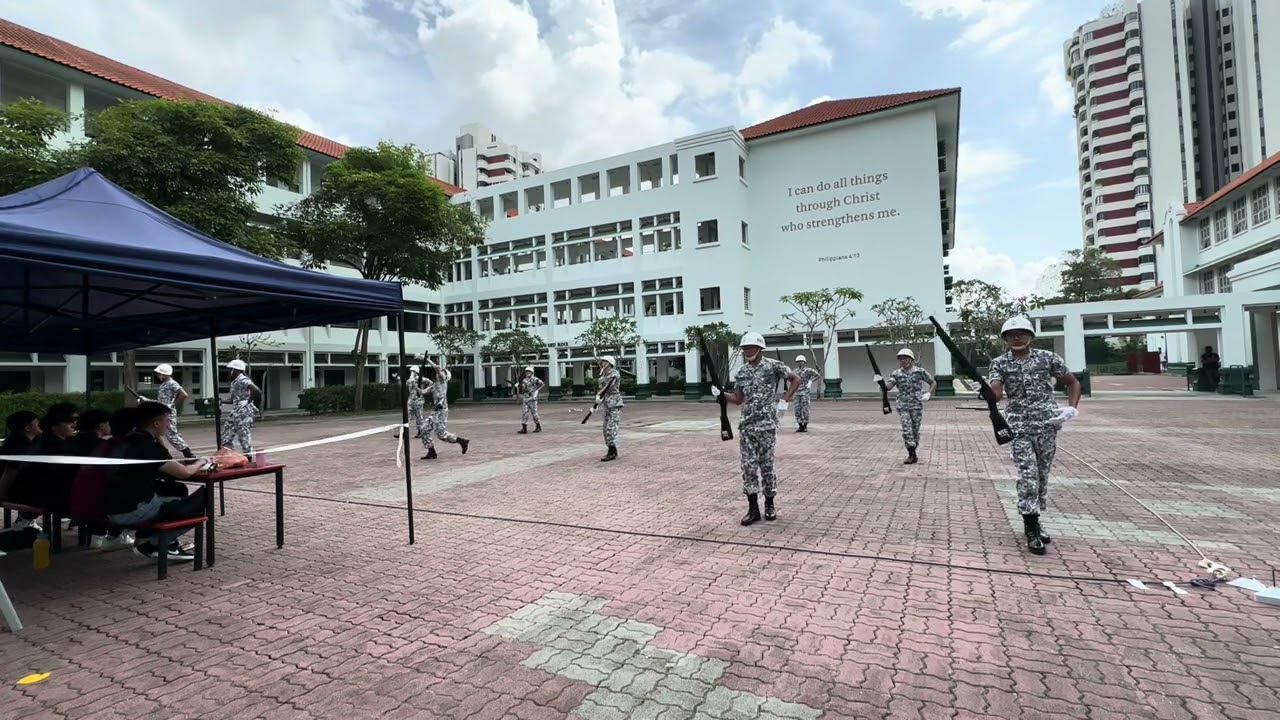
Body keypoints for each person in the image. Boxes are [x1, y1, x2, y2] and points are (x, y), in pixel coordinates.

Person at [986, 316, 1082, 556]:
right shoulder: (999, 363)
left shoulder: (1047, 358)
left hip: (1046, 424)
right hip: (1018, 426)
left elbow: (1073, 382)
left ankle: (1036, 520)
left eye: (1021, 333)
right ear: (1005, 339)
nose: (1016, 337)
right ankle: (1030, 525)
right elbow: (996, 393)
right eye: (1011, 334)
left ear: (1031, 336)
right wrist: (986, 391)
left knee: (1041, 475)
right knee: (1028, 474)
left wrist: (1071, 409)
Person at [105, 401, 211, 561]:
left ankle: (159, 540)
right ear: (156, 423)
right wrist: (202, 461)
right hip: (131, 510)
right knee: (202, 501)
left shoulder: (128, 440)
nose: (169, 425)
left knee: (177, 490)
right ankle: (156, 544)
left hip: (110, 506)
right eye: (167, 420)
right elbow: (184, 473)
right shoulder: (148, 446)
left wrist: (159, 442)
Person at [717, 333, 801, 525]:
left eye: (751, 347)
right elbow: (738, 399)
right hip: (747, 426)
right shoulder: (742, 372)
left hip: (766, 425)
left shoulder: (773, 366)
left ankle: (770, 504)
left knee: (767, 466)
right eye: (745, 348)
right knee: (748, 467)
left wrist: (785, 399)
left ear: (760, 348)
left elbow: (795, 379)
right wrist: (721, 394)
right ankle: (753, 508)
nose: (748, 351)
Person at [876, 348, 937, 465]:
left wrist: (929, 393)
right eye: (901, 359)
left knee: (915, 430)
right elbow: (889, 386)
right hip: (903, 405)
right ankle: (911, 453)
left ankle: (914, 451)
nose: (903, 361)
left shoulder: (919, 371)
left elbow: (933, 382)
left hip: (916, 404)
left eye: (905, 358)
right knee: (906, 428)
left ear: (911, 359)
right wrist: (881, 383)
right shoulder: (896, 373)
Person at [0, 411, 41, 531]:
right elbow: (9, 473)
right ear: (27, 428)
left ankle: (25, 519)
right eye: (37, 423)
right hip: (12, 490)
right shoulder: (21, 449)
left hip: (14, 488)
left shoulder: (22, 444)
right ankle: (25, 520)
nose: (40, 425)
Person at [424, 360, 469, 457]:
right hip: (435, 411)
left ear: (445, 376)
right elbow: (423, 392)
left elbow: (436, 368)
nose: (440, 373)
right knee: (425, 428)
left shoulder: (442, 381)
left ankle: (461, 441)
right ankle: (431, 451)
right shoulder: (436, 384)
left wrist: (427, 359)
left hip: (441, 411)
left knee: (441, 435)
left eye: (443, 372)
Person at [151, 364, 194, 458]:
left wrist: (172, 405)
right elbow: (161, 401)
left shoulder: (172, 383)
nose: (158, 376)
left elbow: (184, 394)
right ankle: (164, 453)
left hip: (167, 413)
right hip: (162, 411)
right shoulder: (164, 384)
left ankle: (188, 453)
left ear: (163, 374)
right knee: (155, 432)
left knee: (171, 434)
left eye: (159, 374)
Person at [221, 359, 260, 457]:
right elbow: (233, 399)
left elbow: (256, 390)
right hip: (236, 410)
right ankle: (229, 454)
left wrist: (248, 401)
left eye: (232, 369)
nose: (230, 371)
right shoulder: (235, 381)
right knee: (226, 433)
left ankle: (248, 457)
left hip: (243, 411)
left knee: (243, 435)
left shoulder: (243, 379)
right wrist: (221, 401)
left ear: (237, 370)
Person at [596, 356, 623, 461]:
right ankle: (612, 450)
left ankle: (611, 452)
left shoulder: (614, 374)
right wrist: (598, 399)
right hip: (606, 404)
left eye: (604, 361)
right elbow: (600, 388)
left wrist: (599, 394)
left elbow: (608, 386)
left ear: (609, 363)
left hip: (614, 403)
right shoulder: (603, 375)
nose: (602, 363)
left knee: (611, 428)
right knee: (605, 428)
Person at [791, 355, 821, 432]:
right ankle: (800, 425)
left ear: (804, 362)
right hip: (797, 392)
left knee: (805, 410)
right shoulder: (794, 371)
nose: (800, 363)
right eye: (798, 362)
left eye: (801, 361)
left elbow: (818, 375)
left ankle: (805, 425)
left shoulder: (808, 370)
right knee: (797, 409)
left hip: (805, 392)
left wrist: (811, 381)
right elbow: (791, 379)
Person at [517, 366, 544, 434]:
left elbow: (542, 384)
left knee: (534, 413)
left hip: (532, 398)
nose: (527, 373)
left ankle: (538, 426)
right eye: (526, 371)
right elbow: (524, 389)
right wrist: (520, 387)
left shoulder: (535, 379)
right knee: (524, 413)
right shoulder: (524, 380)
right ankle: (524, 427)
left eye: (529, 371)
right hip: (526, 398)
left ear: (532, 372)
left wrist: (536, 390)